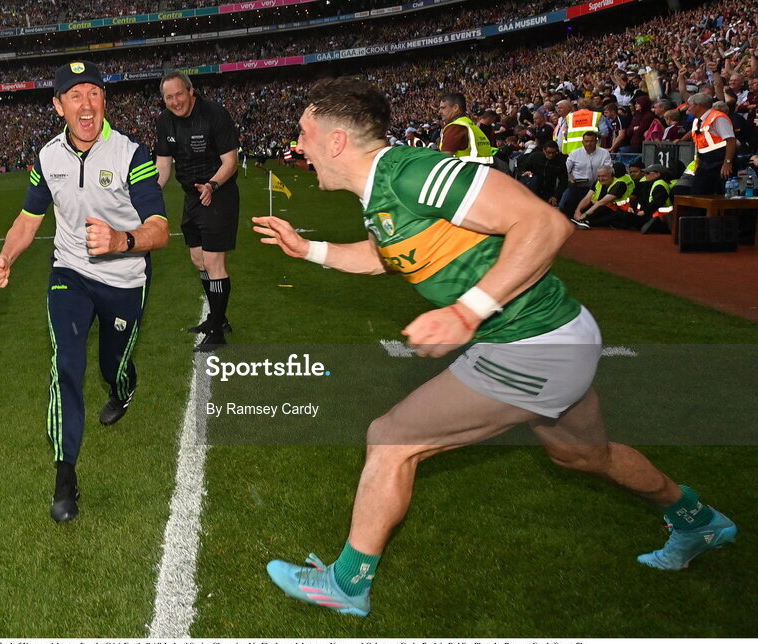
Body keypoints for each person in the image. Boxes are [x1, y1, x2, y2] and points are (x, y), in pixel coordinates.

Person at [254, 78, 735, 618]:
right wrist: (310, 250)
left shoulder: (412, 172)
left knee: (391, 439)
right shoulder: (381, 192)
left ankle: (347, 583)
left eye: (304, 133)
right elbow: (387, 255)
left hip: (533, 346)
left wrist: (467, 312)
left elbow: (544, 224)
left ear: (337, 141)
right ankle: (700, 522)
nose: (298, 144)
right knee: (582, 454)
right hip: (551, 338)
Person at [0, 61, 169, 523]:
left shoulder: (132, 154)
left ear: (104, 101)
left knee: (111, 364)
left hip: (125, 279)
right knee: (66, 364)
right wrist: (6, 258)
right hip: (70, 273)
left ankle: (123, 386)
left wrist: (122, 241)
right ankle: (65, 479)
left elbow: (160, 229)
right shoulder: (47, 158)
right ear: (58, 105)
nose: (86, 105)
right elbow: (28, 221)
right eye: (75, 96)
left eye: (94, 93)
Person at [155, 71, 240, 352]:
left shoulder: (215, 114)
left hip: (219, 194)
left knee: (215, 263)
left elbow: (231, 161)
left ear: (191, 91)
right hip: (192, 196)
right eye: (169, 97)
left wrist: (213, 185)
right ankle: (219, 318)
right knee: (198, 260)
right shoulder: (164, 121)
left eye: (179, 94)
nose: (175, 101)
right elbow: (163, 166)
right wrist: (149, 193)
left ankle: (217, 332)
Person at [687, 93, 736, 195]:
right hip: (705, 161)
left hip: (720, 160)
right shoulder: (697, 121)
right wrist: (698, 162)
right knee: (697, 193)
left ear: (699, 105)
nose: (688, 108)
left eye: (690, 105)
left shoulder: (718, 118)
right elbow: (700, 144)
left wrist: (727, 163)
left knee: (723, 194)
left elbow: (731, 140)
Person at [558, 130, 611, 216]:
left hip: (597, 188)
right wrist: (569, 178)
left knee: (597, 211)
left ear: (596, 142)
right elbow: (565, 170)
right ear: (582, 142)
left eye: (591, 141)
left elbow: (609, 170)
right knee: (563, 205)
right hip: (576, 187)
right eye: (586, 141)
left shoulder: (604, 153)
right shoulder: (574, 153)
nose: (589, 144)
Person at [438, 93, 494, 165]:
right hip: (482, 171)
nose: (440, 112)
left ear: (455, 108)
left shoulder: (455, 127)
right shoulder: (470, 125)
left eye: (443, 108)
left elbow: (444, 160)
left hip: (466, 173)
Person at [570, 165, 632, 229]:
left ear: (612, 175)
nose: (601, 179)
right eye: (599, 176)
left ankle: (586, 221)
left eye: (604, 176)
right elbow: (587, 198)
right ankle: (580, 220)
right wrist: (578, 211)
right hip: (600, 207)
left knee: (601, 209)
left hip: (618, 211)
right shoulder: (597, 182)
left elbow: (602, 202)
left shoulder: (619, 184)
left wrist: (584, 215)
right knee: (572, 204)